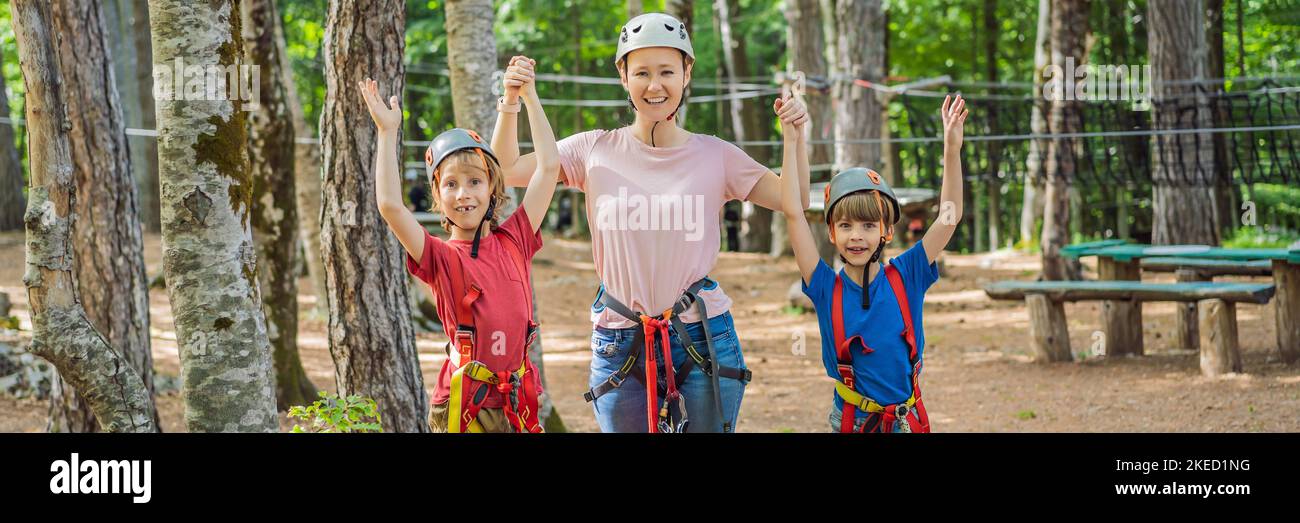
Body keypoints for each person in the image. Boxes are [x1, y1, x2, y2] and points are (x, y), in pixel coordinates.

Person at [492, 12, 811, 433]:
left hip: (703, 336)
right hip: (620, 338)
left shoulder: (717, 155)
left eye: (667, 71)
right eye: (642, 72)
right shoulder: (593, 150)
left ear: (687, 73)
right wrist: (513, 101)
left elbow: (796, 200)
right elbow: (507, 166)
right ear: (623, 76)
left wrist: (795, 137)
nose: (655, 85)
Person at [357, 53, 562, 432]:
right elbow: (389, 205)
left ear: (492, 190)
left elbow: (549, 166)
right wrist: (387, 134)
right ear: (438, 195)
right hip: (465, 404)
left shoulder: (514, 239)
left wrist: (526, 97)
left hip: (517, 401)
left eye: (474, 182)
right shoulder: (440, 257)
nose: (463, 194)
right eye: (450, 184)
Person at [781, 94, 968, 433]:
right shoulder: (825, 286)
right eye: (846, 226)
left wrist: (951, 149)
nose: (857, 236)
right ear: (831, 234)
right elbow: (793, 212)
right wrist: (793, 139)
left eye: (868, 226)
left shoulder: (907, 274)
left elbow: (949, 217)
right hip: (853, 422)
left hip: (904, 420)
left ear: (887, 231)